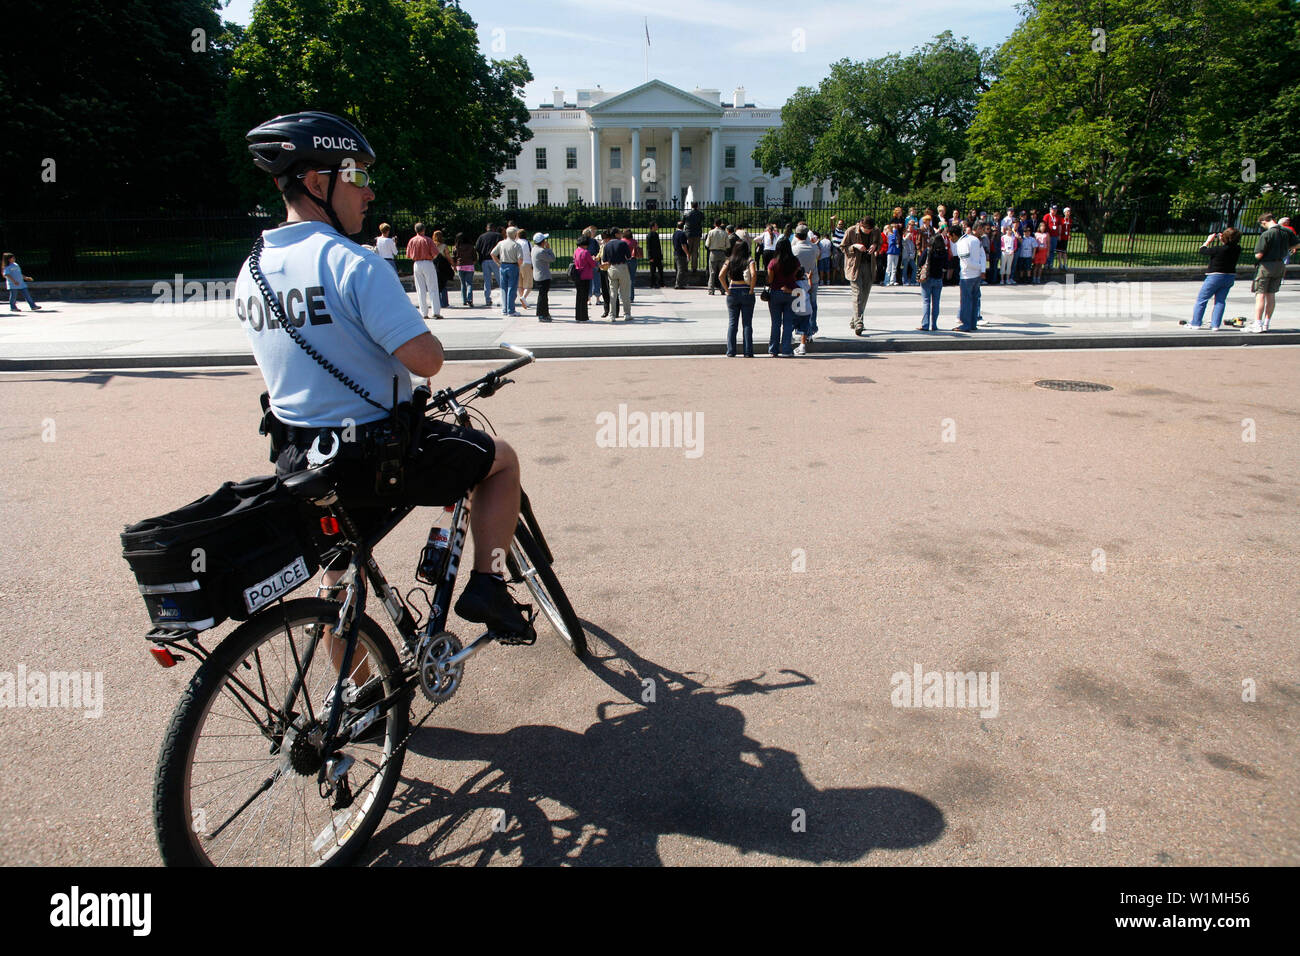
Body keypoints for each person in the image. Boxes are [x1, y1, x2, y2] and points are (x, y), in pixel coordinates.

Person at [239, 110, 527, 635]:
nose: (369, 192)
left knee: (338, 572)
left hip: (299, 454)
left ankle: (358, 702)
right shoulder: (354, 262)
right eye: (359, 176)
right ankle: (488, 583)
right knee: (502, 461)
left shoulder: (252, 267)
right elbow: (427, 360)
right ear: (317, 181)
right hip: (373, 454)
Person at [1251, 211, 1298, 332]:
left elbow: (1259, 254)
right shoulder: (1286, 231)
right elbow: (1297, 244)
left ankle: (1258, 323)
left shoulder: (1267, 234)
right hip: (1280, 264)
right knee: (1271, 294)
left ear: (1264, 222)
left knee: (1260, 294)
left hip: (1267, 265)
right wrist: (1285, 248)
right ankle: (1266, 323)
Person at [1187, 228, 1241, 331]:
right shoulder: (1237, 248)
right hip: (1229, 276)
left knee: (1202, 299)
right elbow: (1229, 244)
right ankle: (1215, 325)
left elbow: (1202, 250)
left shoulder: (1218, 249)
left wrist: (1208, 241)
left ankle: (1196, 323)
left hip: (1215, 276)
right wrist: (1224, 238)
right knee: (1220, 301)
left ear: (1224, 238)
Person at [766, 237, 804, 357]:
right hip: (791, 292)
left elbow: (770, 280)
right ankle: (786, 349)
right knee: (788, 323)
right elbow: (795, 275)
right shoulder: (795, 261)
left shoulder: (773, 262)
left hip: (776, 292)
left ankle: (773, 349)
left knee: (775, 323)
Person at [841, 215, 879, 335]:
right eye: (866, 230)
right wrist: (855, 246)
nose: (869, 232)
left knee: (865, 294)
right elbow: (843, 247)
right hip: (854, 267)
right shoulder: (851, 231)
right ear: (861, 226)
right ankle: (859, 323)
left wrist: (874, 246)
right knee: (857, 294)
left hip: (869, 265)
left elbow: (879, 241)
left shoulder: (876, 231)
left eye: (870, 230)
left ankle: (855, 319)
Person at [720, 240, 757, 357]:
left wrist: (727, 290)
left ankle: (731, 351)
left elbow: (721, 275)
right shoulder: (749, 260)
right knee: (747, 324)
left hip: (733, 291)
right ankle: (748, 351)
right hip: (746, 291)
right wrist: (751, 289)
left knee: (732, 323)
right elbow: (754, 274)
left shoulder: (730, 260)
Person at [790, 224, 820, 353]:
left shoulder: (794, 249)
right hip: (812, 279)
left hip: (797, 281)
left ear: (796, 235)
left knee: (794, 308)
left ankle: (791, 331)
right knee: (812, 306)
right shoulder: (814, 248)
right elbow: (818, 256)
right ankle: (810, 332)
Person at [952, 223, 986, 332]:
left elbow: (966, 262)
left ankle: (965, 324)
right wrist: (982, 269)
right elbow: (983, 256)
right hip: (977, 276)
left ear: (954, 235)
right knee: (975, 300)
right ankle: (972, 323)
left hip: (967, 276)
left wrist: (978, 267)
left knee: (966, 301)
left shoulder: (961, 243)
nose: (949, 239)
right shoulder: (974, 239)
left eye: (949, 236)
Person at [405, 222, 441, 319]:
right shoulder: (428, 240)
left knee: (420, 289)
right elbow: (435, 253)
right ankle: (435, 311)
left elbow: (408, 254)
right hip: (427, 263)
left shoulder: (412, 240)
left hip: (416, 264)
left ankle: (423, 313)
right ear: (423, 229)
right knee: (433, 288)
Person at [916, 229, 947, 331]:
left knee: (926, 302)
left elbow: (920, 262)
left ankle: (925, 325)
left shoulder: (928, 250)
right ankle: (934, 325)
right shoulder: (944, 252)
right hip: (938, 279)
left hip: (927, 278)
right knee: (936, 302)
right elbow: (946, 265)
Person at [491, 226, 523, 317]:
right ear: (515, 234)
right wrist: (518, 266)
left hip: (503, 265)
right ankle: (511, 310)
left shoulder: (501, 243)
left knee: (503, 288)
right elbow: (520, 259)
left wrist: (498, 263)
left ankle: (504, 309)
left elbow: (493, 253)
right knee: (512, 289)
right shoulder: (516, 245)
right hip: (513, 266)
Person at [602, 228, 633, 321]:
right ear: (616, 234)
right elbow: (629, 257)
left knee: (612, 292)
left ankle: (612, 314)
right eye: (619, 233)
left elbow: (604, 259)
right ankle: (626, 313)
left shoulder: (607, 245)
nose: (621, 234)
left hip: (611, 268)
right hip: (622, 267)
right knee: (625, 292)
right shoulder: (623, 243)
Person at [475, 223, 501, 309]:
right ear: (494, 228)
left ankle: (487, 299)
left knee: (487, 281)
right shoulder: (498, 236)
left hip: (485, 260)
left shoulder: (481, 237)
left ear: (487, 228)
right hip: (495, 259)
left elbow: (477, 248)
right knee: (500, 279)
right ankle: (504, 298)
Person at [530, 233, 554, 322]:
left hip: (538, 275)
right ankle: (542, 314)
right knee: (543, 296)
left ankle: (544, 313)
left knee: (542, 296)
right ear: (542, 242)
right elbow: (552, 259)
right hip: (543, 276)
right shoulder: (541, 251)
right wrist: (548, 249)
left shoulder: (534, 249)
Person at [572, 236, 596, 322]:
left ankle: (578, 316)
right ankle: (584, 317)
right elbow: (592, 264)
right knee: (584, 297)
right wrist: (593, 259)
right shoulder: (586, 252)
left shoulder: (576, 251)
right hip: (585, 276)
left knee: (579, 297)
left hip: (578, 275)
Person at [431, 229, 453, 311]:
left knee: (435, 285)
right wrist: (453, 264)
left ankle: (438, 302)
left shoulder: (431, 245)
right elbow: (448, 256)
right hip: (443, 266)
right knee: (443, 284)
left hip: (433, 265)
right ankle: (445, 302)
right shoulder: (444, 246)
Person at [705, 218, 729, 295]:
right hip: (722, 253)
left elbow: (707, 244)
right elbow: (728, 245)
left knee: (712, 272)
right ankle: (723, 289)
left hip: (713, 253)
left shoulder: (711, 232)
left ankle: (711, 290)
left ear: (714, 224)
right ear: (721, 223)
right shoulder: (724, 233)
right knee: (722, 273)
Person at [453, 232, 477, 307]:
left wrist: (454, 265)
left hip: (460, 266)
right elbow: (475, 257)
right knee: (469, 284)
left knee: (463, 284)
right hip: (469, 266)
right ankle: (469, 299)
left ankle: (464, 300)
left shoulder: (456, 247)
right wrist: (473, 263)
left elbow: (454, 257)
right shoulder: (471, 247)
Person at [684, 202, 704, 273]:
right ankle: (694, 267)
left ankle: (685, 266)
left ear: (691, 206)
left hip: (689, 234)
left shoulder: (687, 214)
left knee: (688, 251)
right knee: (695, 252)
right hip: (697, 234)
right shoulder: (700, 213)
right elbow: (702, 220)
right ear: (697, 206)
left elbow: (684, 222)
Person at [515, 231, 533, 311]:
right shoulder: (528, 243)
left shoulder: (515, 242)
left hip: (517, 263)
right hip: (527, 263)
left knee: (520, 284)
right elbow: (531, 253)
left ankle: (523, 301)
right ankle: (523, 298)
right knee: (529, 285)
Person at [623, 228, 641, 301]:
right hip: (633, 260)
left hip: (624, 260)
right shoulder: (634, 241)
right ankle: (631, 297)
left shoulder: (622, 241)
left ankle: (623, 296)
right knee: (631, 279)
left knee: (623, 279)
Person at [646, 222, 664, 288]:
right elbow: (649, 247)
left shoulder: (656, 234)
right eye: (656, 225)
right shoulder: (649, 235)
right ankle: (652, 283)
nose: (657, 226)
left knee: (660, 270)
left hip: (658, 255)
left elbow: (659, 247)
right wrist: (650, 257)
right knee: (653, 271)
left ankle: (661, 283)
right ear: (653, 227)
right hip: (653, 256)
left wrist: (661, 256)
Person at [672, 220, 690, 290]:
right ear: (683, 226)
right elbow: (683, 245)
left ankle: (679, 283)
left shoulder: (675, 233)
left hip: (676, 252)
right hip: (681, 254)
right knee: (681, 270)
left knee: (678, 269)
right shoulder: (682, 234)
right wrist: (687, 253)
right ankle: (678, 284)